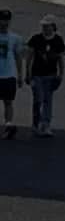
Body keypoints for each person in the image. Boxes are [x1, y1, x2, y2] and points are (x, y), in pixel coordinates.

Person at [26, 15, 64, 138]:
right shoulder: (36, 39)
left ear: (53, 27)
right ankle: (36, 123)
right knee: (38, 98)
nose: (45, 28)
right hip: (37, 74)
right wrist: (28, 72)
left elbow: (60, 59)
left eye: (47, 26)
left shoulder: (58, 41)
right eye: (43, 26)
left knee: (48, 100)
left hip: (50, 75)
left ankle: (46, 124)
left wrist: (60, 74)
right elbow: (30, 56)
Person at [0, 8, 22, 139]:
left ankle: (9, 124)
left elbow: (18, 57)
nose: (4, 23)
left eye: (7, 20)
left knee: (8, 101)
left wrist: (20, 75)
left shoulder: (15, 38)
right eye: (2, 20)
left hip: (9, 75)